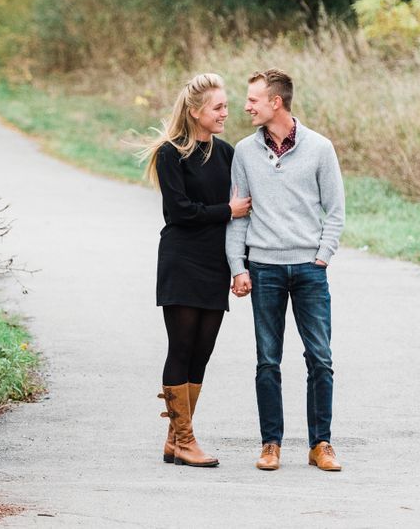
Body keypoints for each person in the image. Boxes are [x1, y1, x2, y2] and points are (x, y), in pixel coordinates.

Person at [225, 68, 345, 472]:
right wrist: (237, 266)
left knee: (320, 358)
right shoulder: (244, 151)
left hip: (310, 269)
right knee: (267, 360)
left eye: (253, 100)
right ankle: (270, 444)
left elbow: (336, 210)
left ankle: (321, 444)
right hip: (264, 269)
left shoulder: (319, 148)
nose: (246, 106)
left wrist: (322, 256)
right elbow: (238, 216)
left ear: (276, 102)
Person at [143, 73, 251, 468]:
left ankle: (175, 440)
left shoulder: (226, 153)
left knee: (202, 353)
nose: (226, 113)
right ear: (195, 112)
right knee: (182, 348)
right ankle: (185, 440)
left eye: (225, 106)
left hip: (215, 262)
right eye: (218, 107)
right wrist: (227, 211)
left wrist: (241, 265)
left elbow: (241, 217)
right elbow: (180, 211)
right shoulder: (170, 153)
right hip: (182, 259)